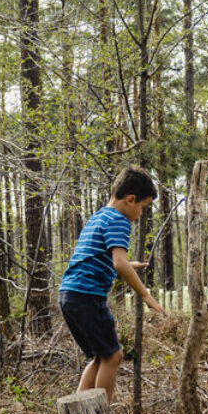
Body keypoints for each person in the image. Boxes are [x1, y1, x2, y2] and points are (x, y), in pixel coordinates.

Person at [59, 167, 172, 396]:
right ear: (130, 200)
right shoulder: (120, 221)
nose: (140, 213)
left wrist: (130, 265)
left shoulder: (99, 216)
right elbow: (118, 263)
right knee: (113, 356)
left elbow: (100, 257)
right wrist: (147, 297)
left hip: (69, 294)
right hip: (88, 295)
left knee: (101, 357)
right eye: (142, 207)